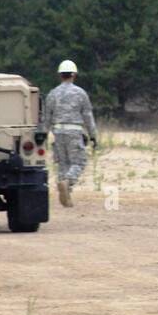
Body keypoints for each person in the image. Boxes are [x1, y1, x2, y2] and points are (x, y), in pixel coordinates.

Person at [40, 59, 97, 207]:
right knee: (79, 162)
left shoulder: (52, 94)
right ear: (74, 75)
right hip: (74, 131)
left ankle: (66, 194)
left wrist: (44, 134)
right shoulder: (80, 93)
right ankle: (68, 182)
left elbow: (47, 118)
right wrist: (93, 136)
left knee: (63, 164)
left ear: (60, 75)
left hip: (58, 132)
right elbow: (88, 116)